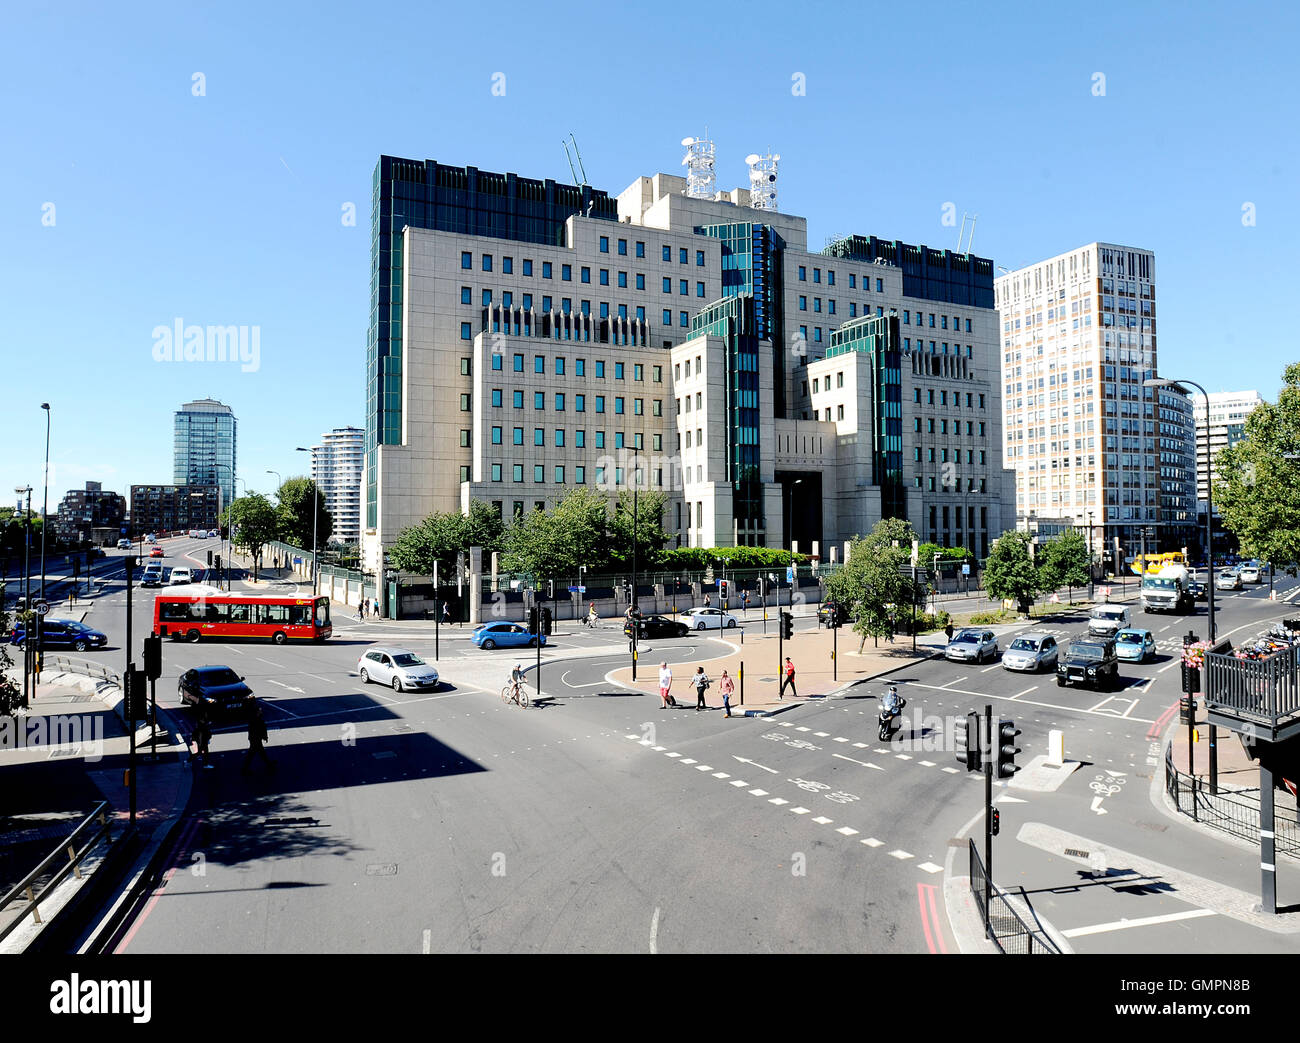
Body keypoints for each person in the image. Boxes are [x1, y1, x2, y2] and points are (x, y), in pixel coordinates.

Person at [241, 701, 275, 775]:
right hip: (256, 739)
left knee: (260, 752)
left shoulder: (254, 719)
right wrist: (264, 736)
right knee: (253, 753)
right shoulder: (256, 720)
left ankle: (269, 764)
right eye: (259, 710)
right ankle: (244, 769)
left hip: (254, 738)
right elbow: (260, 729)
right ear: (256, 712)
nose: (261, 710)